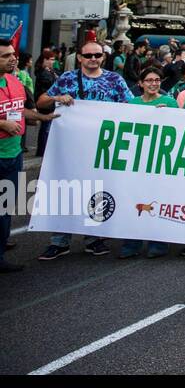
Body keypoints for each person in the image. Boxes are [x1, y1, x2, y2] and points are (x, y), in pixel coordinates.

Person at [36, 39, 131, 260]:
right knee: (66, 189)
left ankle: (94, 238)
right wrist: (57, 98)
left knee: (97, 190)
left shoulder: (114, 80)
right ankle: (59, 241)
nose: (93, 59)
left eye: (97, 55)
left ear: (103, 57)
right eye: (88, 56)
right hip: (70, 148)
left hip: (101, 148)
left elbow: (132, 107)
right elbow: (41, 102)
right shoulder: (67, 79)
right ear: (79, 57)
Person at [1, 37, 57, 273]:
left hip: (13, 154)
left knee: (5, 206)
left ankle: (1, 248)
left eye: (13, 54)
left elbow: (19, 110)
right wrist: (2, 124)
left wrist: (42, 118)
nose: (12, 58)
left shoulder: (13, 81)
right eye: (5, 56)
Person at [120, 66, 174, 259]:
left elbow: (182, 127)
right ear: (141, 84)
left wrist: (168, 114)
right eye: (149, 80)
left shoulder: (169, 102)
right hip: (137, 160)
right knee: (134, 200)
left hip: (160, 161)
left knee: (157, 200)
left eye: (157, 80)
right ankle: (131, 243)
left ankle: (158, 243)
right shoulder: (133, 103)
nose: (153, 84)